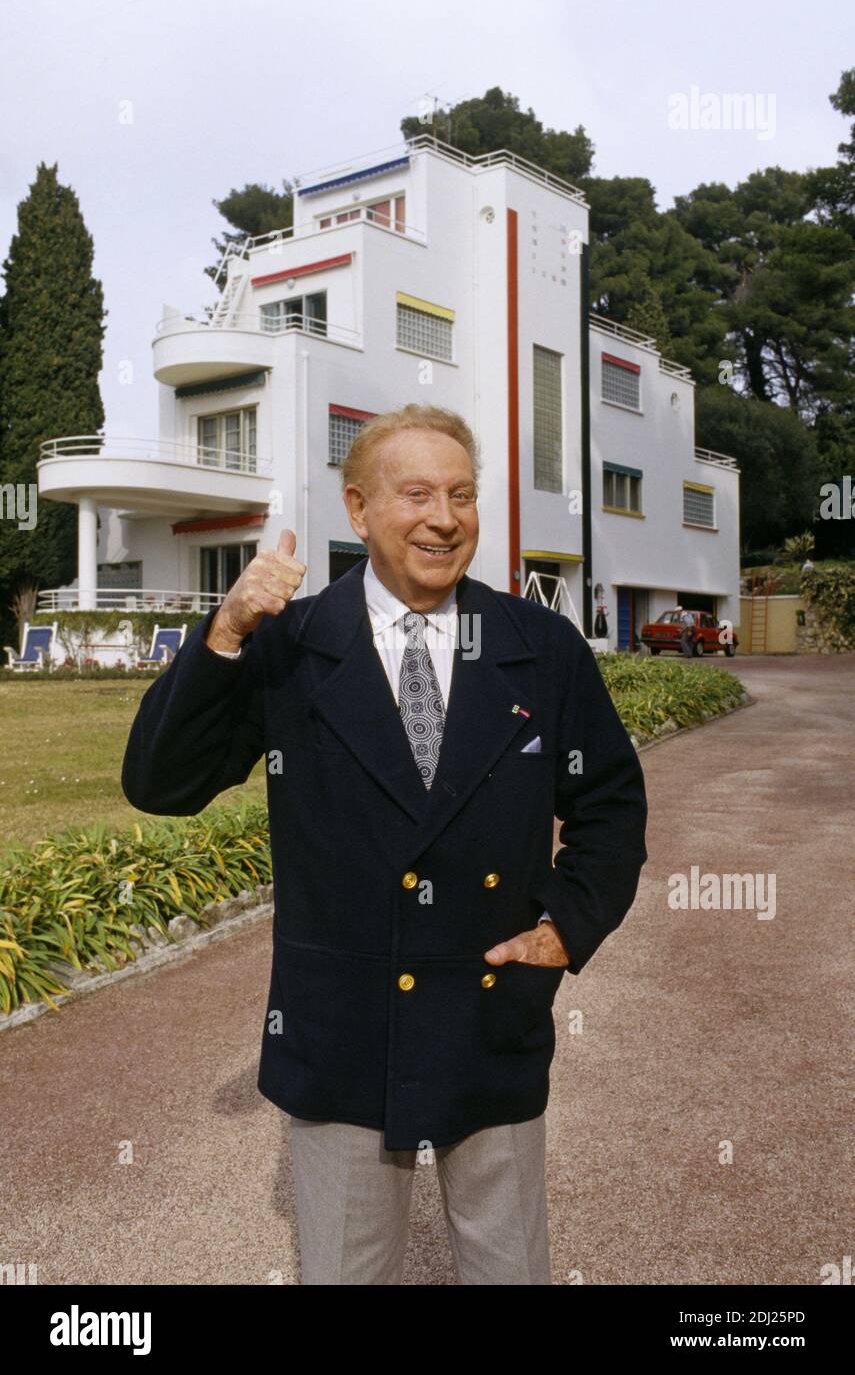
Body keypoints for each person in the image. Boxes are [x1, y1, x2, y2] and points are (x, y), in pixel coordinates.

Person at [121, 402, 648, 1285]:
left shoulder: (539, 645)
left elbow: (609, 804)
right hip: (341, 1029)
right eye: (416, 494)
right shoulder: (290, 643)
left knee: (510, 1272)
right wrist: (223, 634)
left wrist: (566, 926)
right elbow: (161, 785)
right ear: (358, 510)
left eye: (462, 496)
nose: (444, 518)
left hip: (493, 1011)